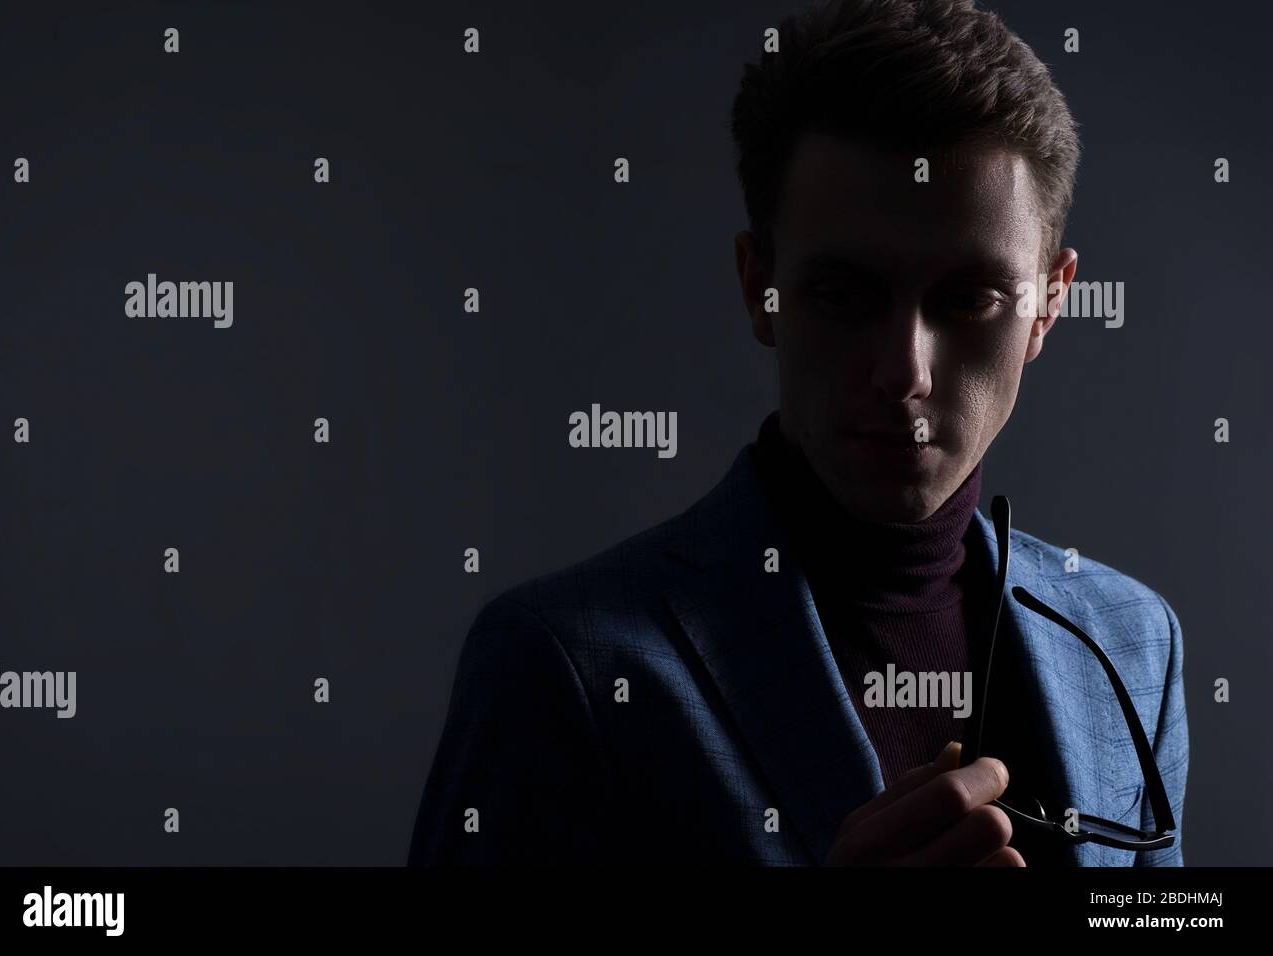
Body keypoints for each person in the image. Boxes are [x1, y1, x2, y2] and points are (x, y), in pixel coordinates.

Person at [408, 0, 1188, 866]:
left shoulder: (1134, 641)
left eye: (969, 299)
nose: (906, 373)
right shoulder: (557, 666)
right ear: (759, 287)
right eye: (846, 295)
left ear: (1051, 302)